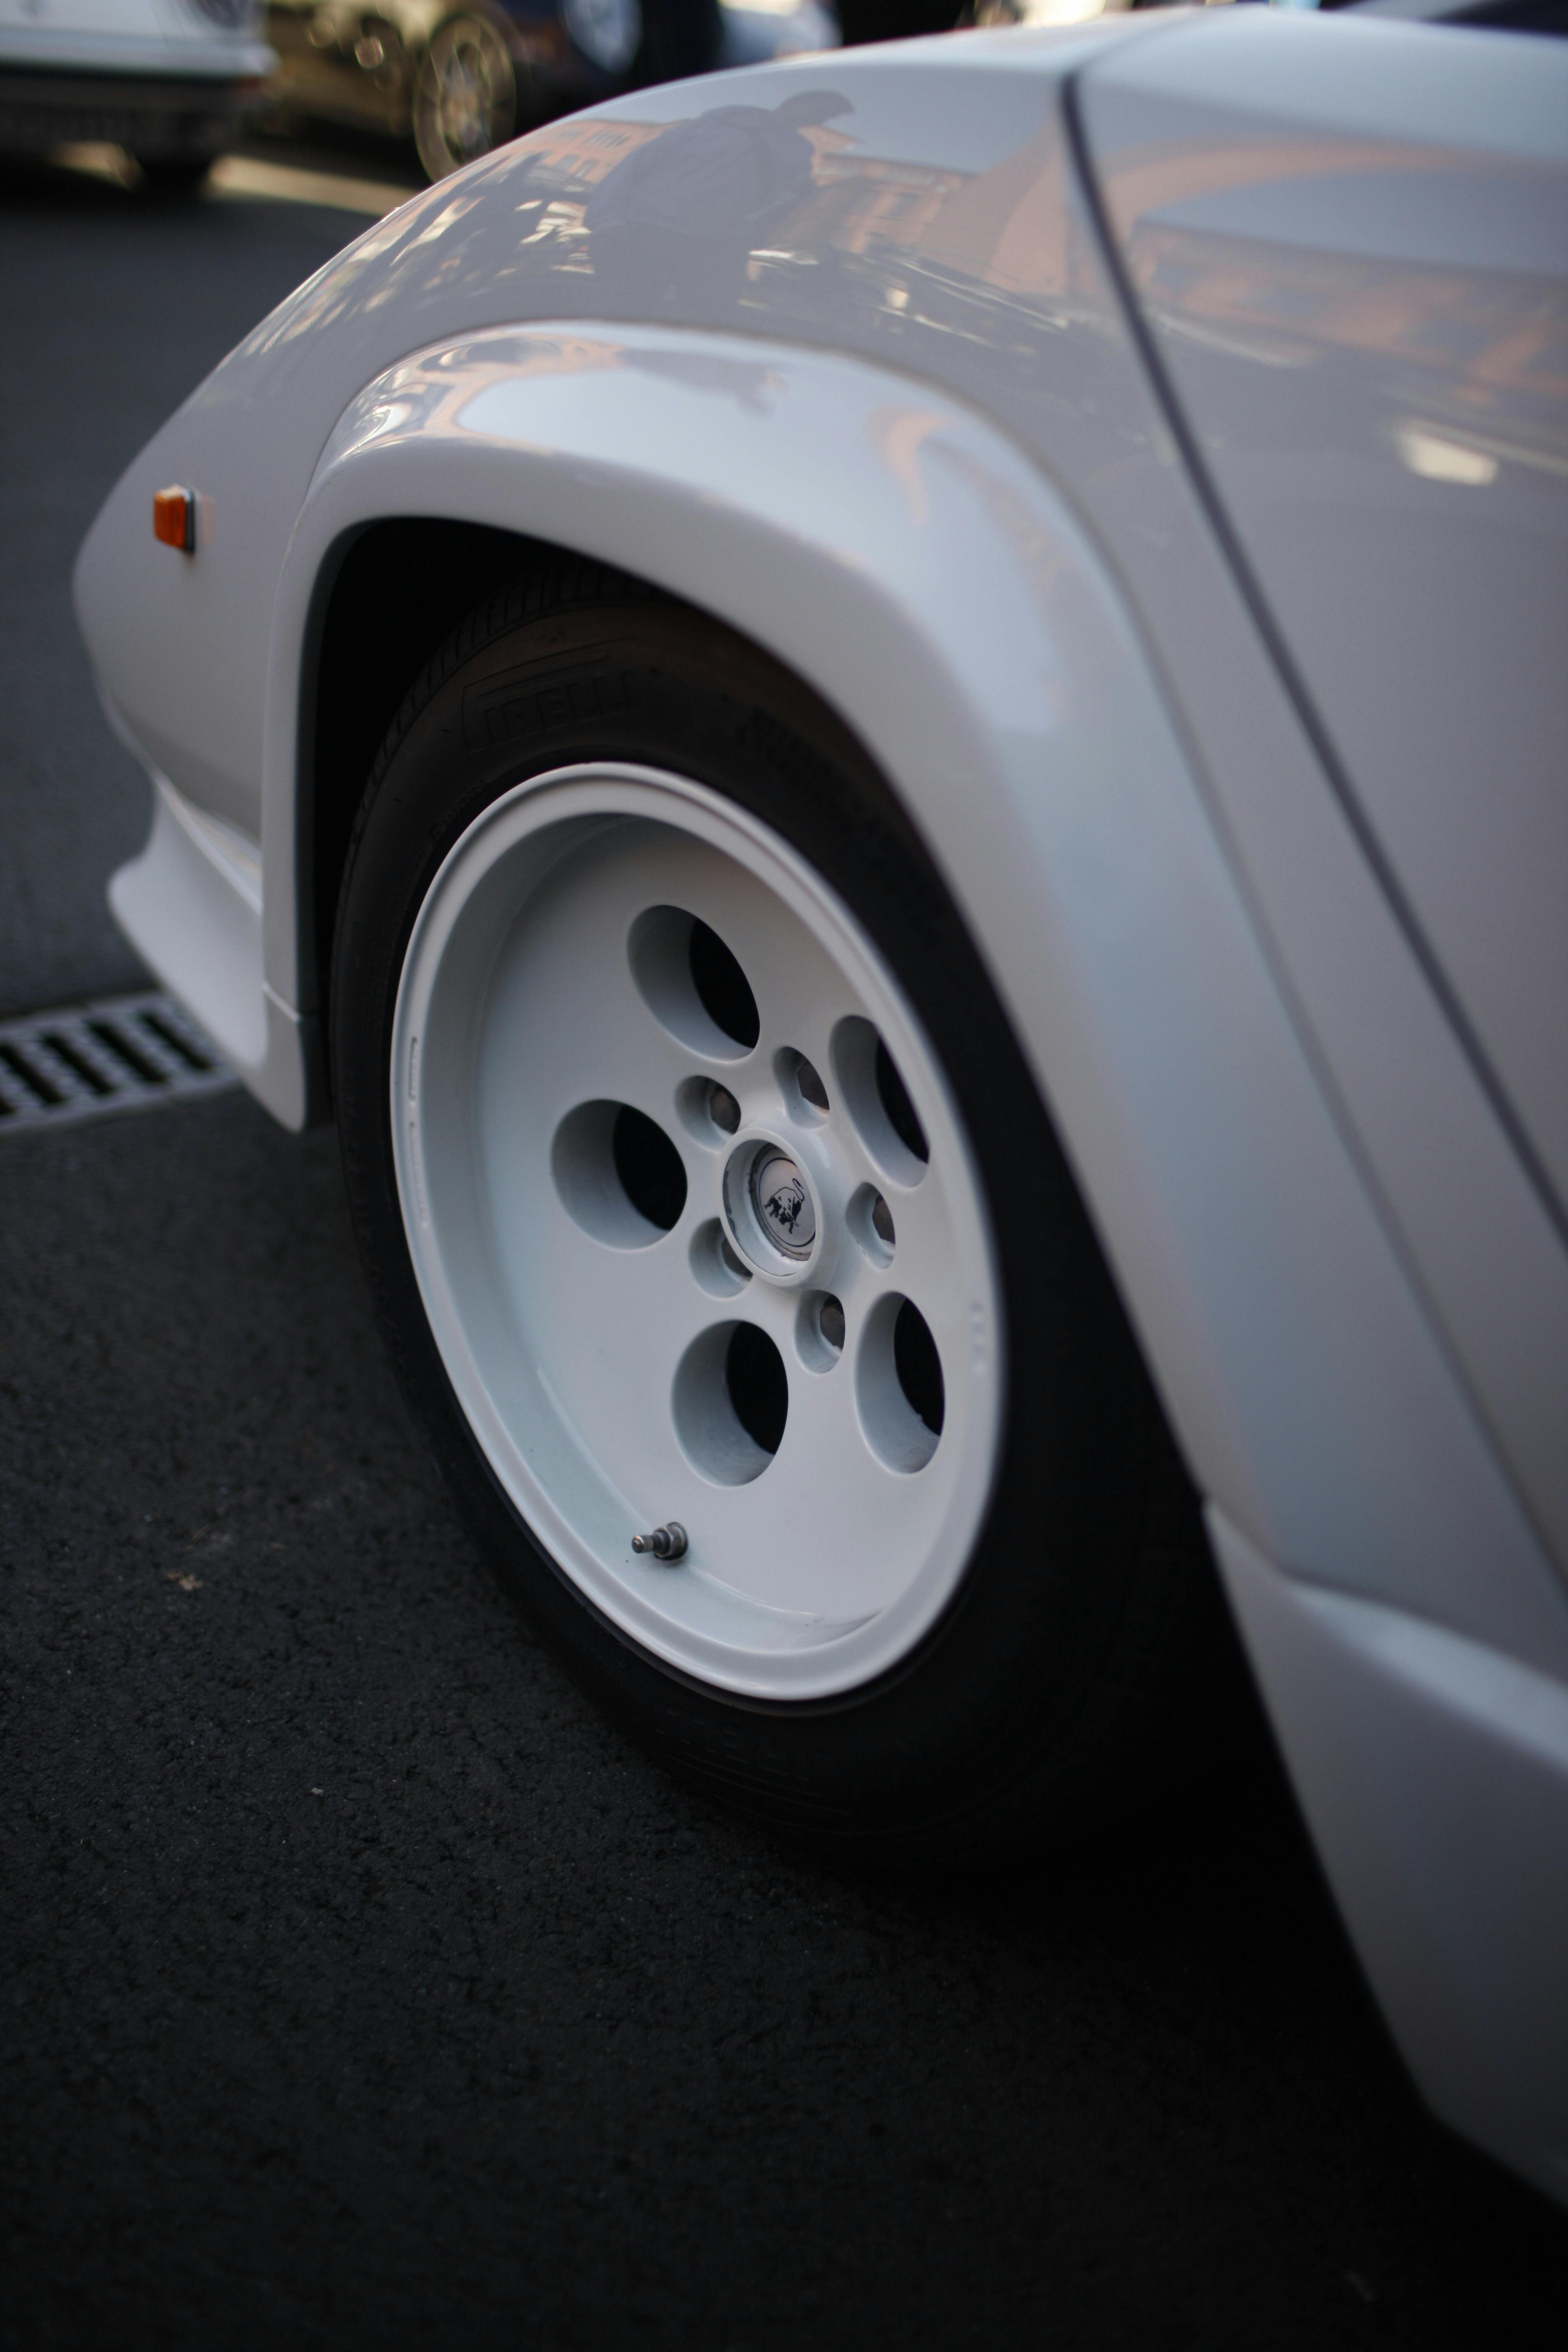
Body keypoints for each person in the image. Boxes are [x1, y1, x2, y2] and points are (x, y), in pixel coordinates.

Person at [584, 89, 854, 312]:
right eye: (821, 110)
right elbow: (635, 166)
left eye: (827, 115)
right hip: (649, 232)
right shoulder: (713, 125)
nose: (821, 118)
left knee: (706, 328)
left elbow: (778, 209)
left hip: (717, 248)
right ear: (798, 102)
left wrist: (747, 241)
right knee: (623, 316)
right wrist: (607, 221)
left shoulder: (797, 155)